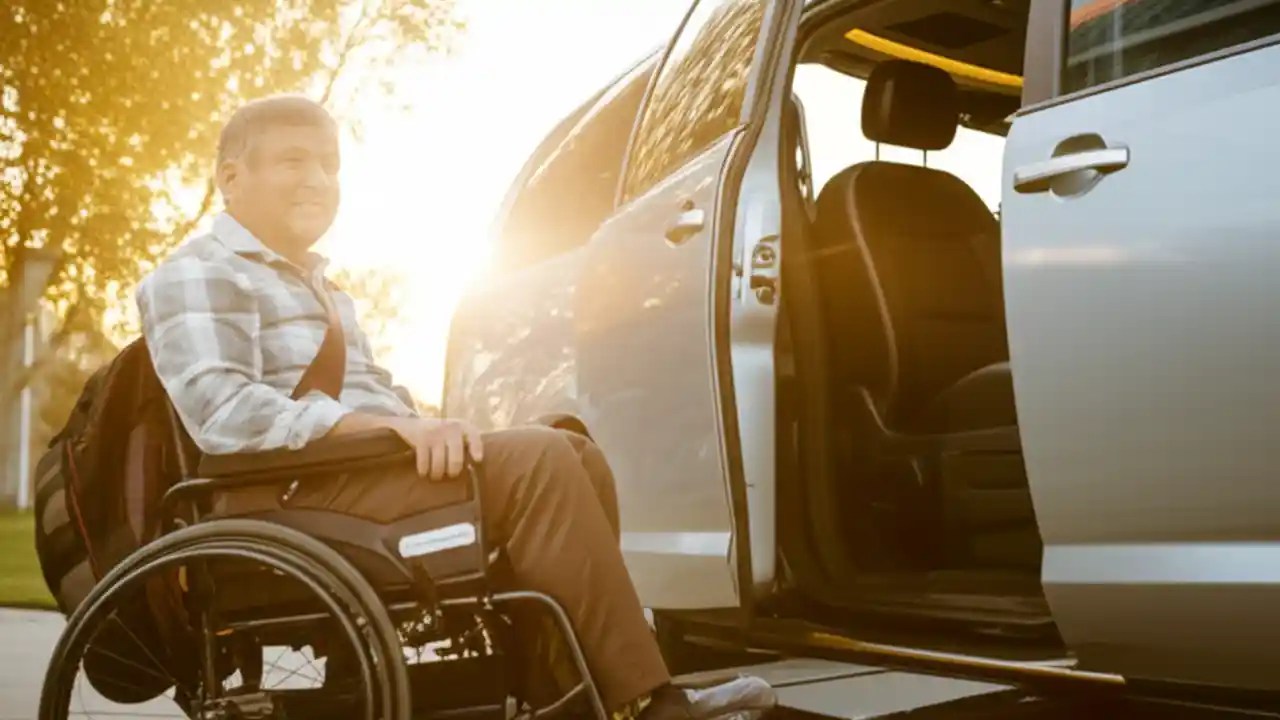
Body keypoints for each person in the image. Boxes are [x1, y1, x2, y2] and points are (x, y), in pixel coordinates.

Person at [135, 95, 774, 720]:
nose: (319, 181)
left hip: (351, 477)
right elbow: (221, 411)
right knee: (541, 459)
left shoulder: (323, 289)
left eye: (330, 165)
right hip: (280, 498)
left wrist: (420, 427)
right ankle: (649, 705)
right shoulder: (199, 272)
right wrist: (391, 430)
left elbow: (380, 397)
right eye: (294, 162)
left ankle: (577, 695)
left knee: (575, 455)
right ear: (230, 178)